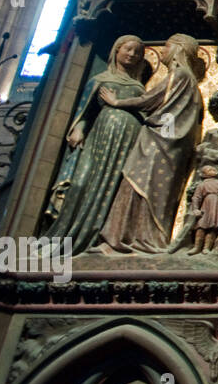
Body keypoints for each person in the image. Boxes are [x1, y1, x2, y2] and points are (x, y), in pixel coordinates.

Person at [97, 34, 205, 254]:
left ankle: (137, 239)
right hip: (168, 142)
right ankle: (128, 238)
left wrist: (117, 102)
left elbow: (150, 100)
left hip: (160, 143)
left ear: (178, 50)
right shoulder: (188, 79)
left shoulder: (181, 75)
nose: (163, 52)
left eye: (166, 47)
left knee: (143, 187)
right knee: (147, 188)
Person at [47, 35, 152, 254]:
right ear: (117, 50)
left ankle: (97, 238)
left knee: (114, 189)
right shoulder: (100, 79)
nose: (132, 55)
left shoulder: (139, 87)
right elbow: (86, 111)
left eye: (137, 53)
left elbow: (147, 114)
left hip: (128, 140)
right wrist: (79, 127)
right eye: (128, 49)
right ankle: (66, 238)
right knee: (82, 182)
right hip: (101, 137)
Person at [188, 164, 218, 255]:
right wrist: (195, 209)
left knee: (213, 227)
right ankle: (196, 247)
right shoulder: (202, 185)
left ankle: (207, 248)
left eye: (213, 168)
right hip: (206, 205)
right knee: (201, 225)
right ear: (204, 174)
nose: (213, 169)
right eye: (210, 170)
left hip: (217, 205)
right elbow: (196, 197)